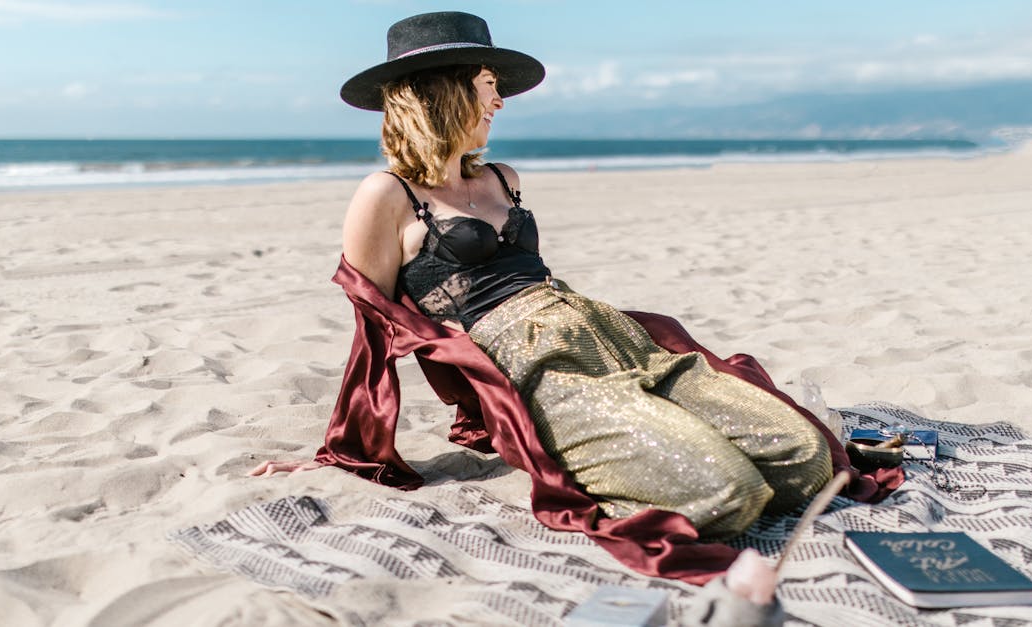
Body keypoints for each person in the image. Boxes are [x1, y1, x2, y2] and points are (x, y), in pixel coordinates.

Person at [251, 10, 898, 603]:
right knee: (724, 490)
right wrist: (343, 446)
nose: (498, 98)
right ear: (441, 90)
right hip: (539, 371)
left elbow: (536, 275)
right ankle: (618, 458)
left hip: (610, 334)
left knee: (805, 458)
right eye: (485, 83)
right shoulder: (385, 196)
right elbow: (375, 327)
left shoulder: (502, 176)